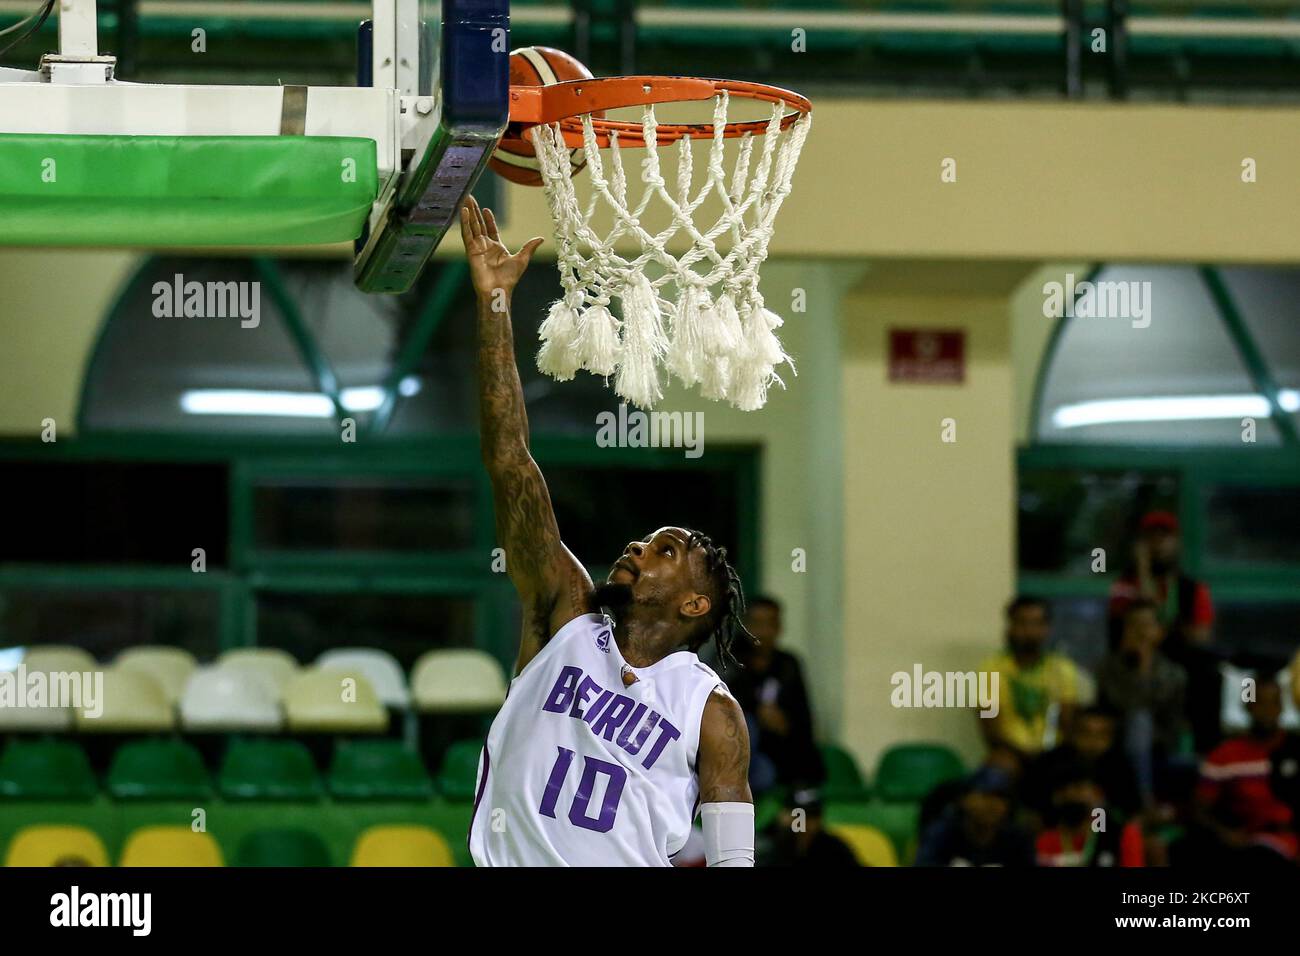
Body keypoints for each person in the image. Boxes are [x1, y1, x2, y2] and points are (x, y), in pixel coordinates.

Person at [459, 197, 756, 867]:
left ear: (693, 604)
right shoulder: (564, 614)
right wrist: (495, 306)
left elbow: (736, 859)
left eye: (664, 550)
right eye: (646, 541)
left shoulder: (710, 710)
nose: (637, 548)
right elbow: (511, 465)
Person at [1108, 510, 1221, 751]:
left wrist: (1163, 631)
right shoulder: (1125, 585)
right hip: (1134, 662)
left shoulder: (1192, 588)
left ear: (1176, 542)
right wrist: (1143, 570)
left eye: (1165, 537)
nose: (1158, 544)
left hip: (1180, 662)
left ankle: (1207, 753)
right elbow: (1127, 635)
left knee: (1209, 674)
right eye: (1151, 538)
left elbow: (1201, 637)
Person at [1183, 676, 1299, 865]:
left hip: (1290, 840)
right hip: (1248, 843)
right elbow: (1199, 809)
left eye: (1274, 704)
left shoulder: (1295, 749)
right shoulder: (1225, 755)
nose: (1267, 712)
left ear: (1281, 708)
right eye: (1260, 703)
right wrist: (1224, 834)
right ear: (1247, 706)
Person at [722, 596, 825, 793]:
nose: (763, 632)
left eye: (770, 624)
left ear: (779, 627)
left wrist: (785, 723)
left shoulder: (788, 664)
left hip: (780, 750)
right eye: (757, 624)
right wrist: (757, 711)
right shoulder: (730, 660)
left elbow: (804, 717)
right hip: (742, 753)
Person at [1096, 599, 1189, 809]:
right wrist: (1138, 672)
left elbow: (1161, 712)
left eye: (1146, 625)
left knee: (1141, 722)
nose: (1140, 633)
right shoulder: (1108, 669)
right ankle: (1144, 802)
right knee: (1138, 721)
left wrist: (1145, 669)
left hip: (1161, 746)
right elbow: (1124, 705)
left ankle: (1145, 801)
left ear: (1160, 632)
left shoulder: (1174, 673)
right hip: (1116, 744)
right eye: (1133, 625)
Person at [979, 596, 1081, 759]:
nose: (1028, 630)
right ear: (1010, 627)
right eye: (1021, 623)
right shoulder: (989, 670)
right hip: (1009, 754)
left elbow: (1068, 724)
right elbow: (990, 729)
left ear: (1046, 628)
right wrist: (1024, 756)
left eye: (1036, 623)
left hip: (1053, 755)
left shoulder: (1062, 669)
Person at [1024, 706, 1141, 820]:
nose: (1093, 741)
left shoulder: (1120, 768)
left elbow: (1130, 812)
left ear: (1112, 738)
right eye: (1086, 733)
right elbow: (1031, 804)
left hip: (1102, 831)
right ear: (1073, 733)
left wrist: (1099, 806)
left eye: (1101, 735)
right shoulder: (1050, 762)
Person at [915, 767, 1036, 867]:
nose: (993, 804)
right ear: (964, 799)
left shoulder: (1018, 839)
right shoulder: (940, 834)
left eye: (1001, 797)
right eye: (985, 795)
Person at [1033, 764, 1145, 867]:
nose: (1070, 795)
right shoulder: (1044, 841)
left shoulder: (1122, 834)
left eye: (1078, 788)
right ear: (1054, 798)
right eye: (1063, 790)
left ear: (1096, 793)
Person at [757, 788, 860, 867]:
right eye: (799, 815)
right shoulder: (765, 846)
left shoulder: (832, 848)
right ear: (784, 814)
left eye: (812, 816)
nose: (806, 823)